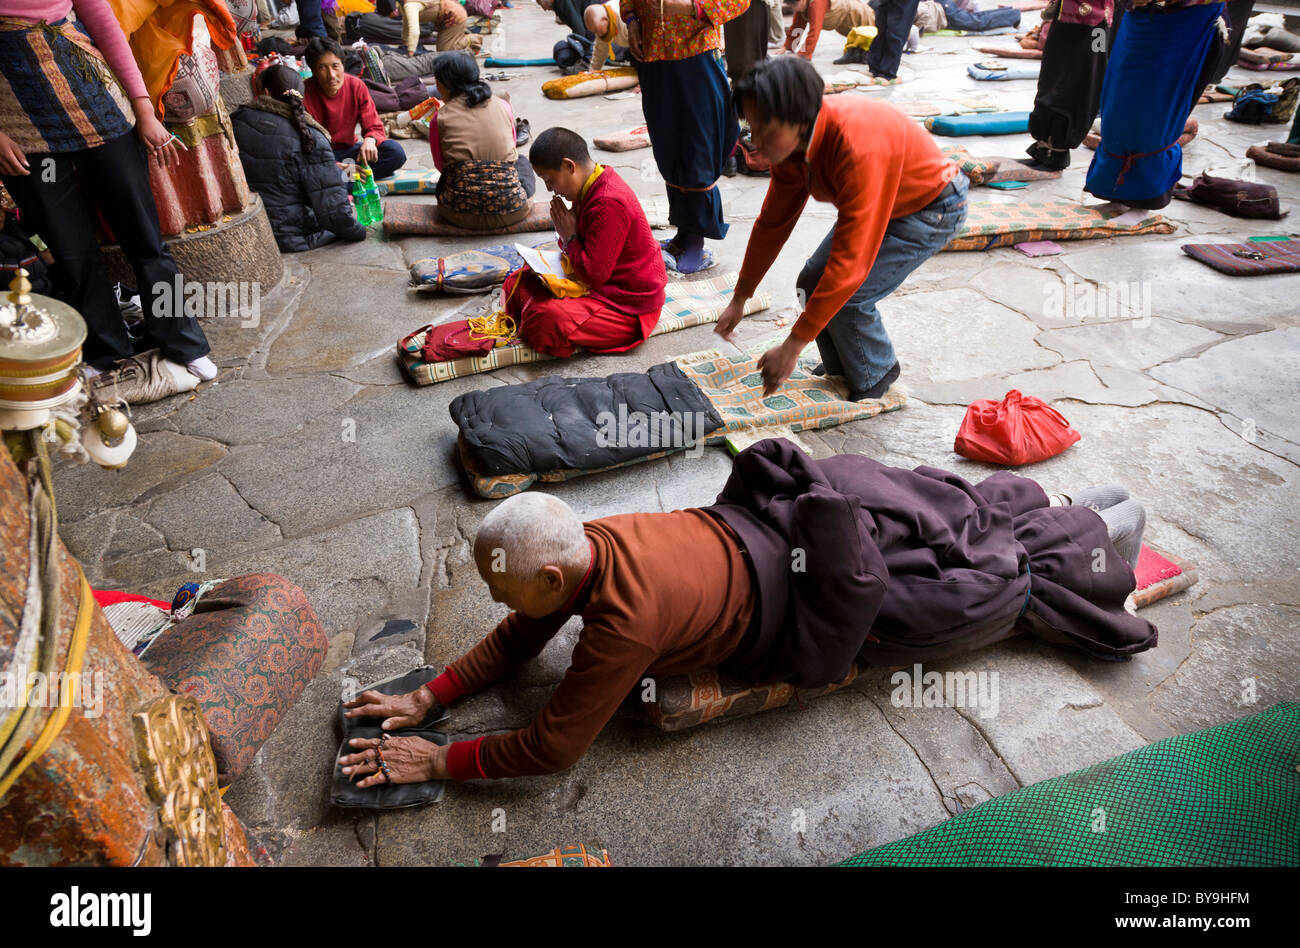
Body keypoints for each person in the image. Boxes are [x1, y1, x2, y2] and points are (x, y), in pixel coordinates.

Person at [337, 439, 1157, 784]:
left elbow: (554, 747)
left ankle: (1100, 528)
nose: (497, 603)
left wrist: (441, 760)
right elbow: (523, 633)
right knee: (950, 524)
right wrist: (431, 696)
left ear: (554, 576)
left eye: (504, 585)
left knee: (984, 589)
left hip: (822, 592)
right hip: (787, 525)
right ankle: (1085, 507)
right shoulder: (592, 541)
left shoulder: (623, 620)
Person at [714, 56, 967, 402]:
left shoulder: (856, 147)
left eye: (763, 128)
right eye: (750, 128)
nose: (755, 140)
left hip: (932, 207)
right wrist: (741, 296)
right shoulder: (790, 150)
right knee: (811, 282)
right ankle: (846, 366)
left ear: (798, 121)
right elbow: (773, 224)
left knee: (848, 295)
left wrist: (793, 345)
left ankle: (876, 372)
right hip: (886, 200)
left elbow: (850, 266)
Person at [0, 0, 216, 399]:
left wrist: (144, 108)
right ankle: (107, 354)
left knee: (145, 239)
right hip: (22, 130)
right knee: (72, 253)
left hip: (99, 106)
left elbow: (104, 24)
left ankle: (185, 342)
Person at [500, 127, 666, 357]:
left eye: (550, 180)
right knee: (517, 282)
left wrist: (569, 238)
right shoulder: (590, 185)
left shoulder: (609, 201)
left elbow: (594, 275)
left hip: (629, 307)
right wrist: (568, 239)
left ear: (570, 166)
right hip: (602, 286)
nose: (549, 189)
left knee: (546, 319)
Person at [623, 0, 748, 274]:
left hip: (696, 55)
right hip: (653, 56)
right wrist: (631, 22)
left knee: (697, 147)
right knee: (668, 147)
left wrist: (692, 8)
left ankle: (696, 239)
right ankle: (683, 232)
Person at [1084, 0, 1226, 209]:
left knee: (1157, 107)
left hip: (1186, 20)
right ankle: (1113, 182)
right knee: (1120, 99)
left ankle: (1146, 190)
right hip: (1139, 17)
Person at [232, 65, 367, 252]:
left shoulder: (237, 120)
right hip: (290, 233)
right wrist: (359, 231)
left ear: (265, 92)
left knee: (339, 173)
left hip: (253, 224)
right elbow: (334, 212)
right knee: (342, 178)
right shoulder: (309, 136)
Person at [429, 51, 535, 230]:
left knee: (449, 175)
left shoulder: (440, 118)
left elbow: (441, 166)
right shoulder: (503, 106)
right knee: (522, 162)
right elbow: (512, 152)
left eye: (437, 81)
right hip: (513, 210)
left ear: (444, 84)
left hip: (457, 214)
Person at [1024, 0, 1129, 171]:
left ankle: (1056, 150)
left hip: (1098, 21)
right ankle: (1045, 146)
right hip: (1068, 11)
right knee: (1052, 73)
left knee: (1089, 72)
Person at [302, 36, 407, 180]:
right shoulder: (303, 93)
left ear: (343, 65)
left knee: (395, 153)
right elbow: (305, 146)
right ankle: (350, 180)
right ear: (313, 70)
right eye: (322, 68)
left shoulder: (356, 86)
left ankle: (347, 181)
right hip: (321, 157)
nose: (331, 75)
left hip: (349, 151)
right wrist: (336, 165)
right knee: (312, 171)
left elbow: (374, 126)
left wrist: (371, 140)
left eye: (335, 66)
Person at [783, 0, 875, 59]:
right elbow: (797, 27)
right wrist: (788, 47)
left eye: (794, 5)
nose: (794, 8)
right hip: (843, 20)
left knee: (870, 39)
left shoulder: (816, 3)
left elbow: (814, 31)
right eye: (791, 6)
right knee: (857, 40)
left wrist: (803, 55)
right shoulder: (801, 6)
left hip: (857, 13)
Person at [399, 0, 480, 54]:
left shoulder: (410, 5)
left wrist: (410, 52)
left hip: (454, 16)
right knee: (441, 52)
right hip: (445, 17)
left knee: (445, 53)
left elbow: (414, 31)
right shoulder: (405, 5)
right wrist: (405, 41)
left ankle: (473, 39)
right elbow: (407, 23)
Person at [585, 0, 629, 69]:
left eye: (599, 31)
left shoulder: (623, 19)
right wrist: (593, 72)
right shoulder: (601, 25)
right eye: (595, 32)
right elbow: (600, 52)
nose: (599, 34)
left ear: (605, 19)